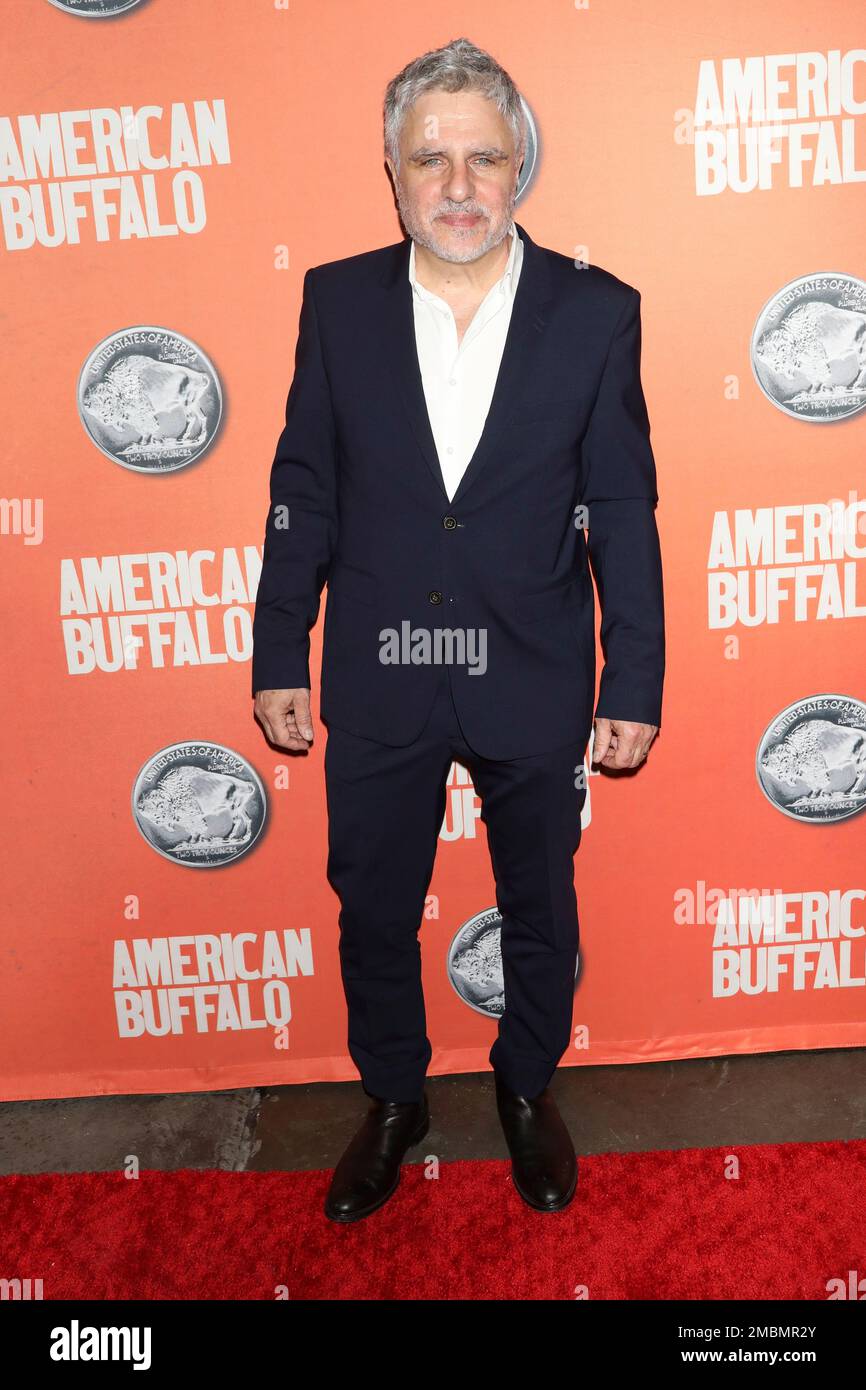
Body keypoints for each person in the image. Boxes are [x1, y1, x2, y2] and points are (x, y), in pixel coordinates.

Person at [252, 36, 664, 1222]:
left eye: (483, 157)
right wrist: (283, 644)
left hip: (530, 668)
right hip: (382, 666)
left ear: (519, 168)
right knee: (373, 899)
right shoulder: (336, 301)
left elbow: (622, 508)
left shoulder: (596, 314)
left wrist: (629, 675)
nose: (457, 185)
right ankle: (393, 1096)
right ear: (391, 171)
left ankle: (524, 1087)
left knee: (540, 898)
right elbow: (304, 484)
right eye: (428, 158)